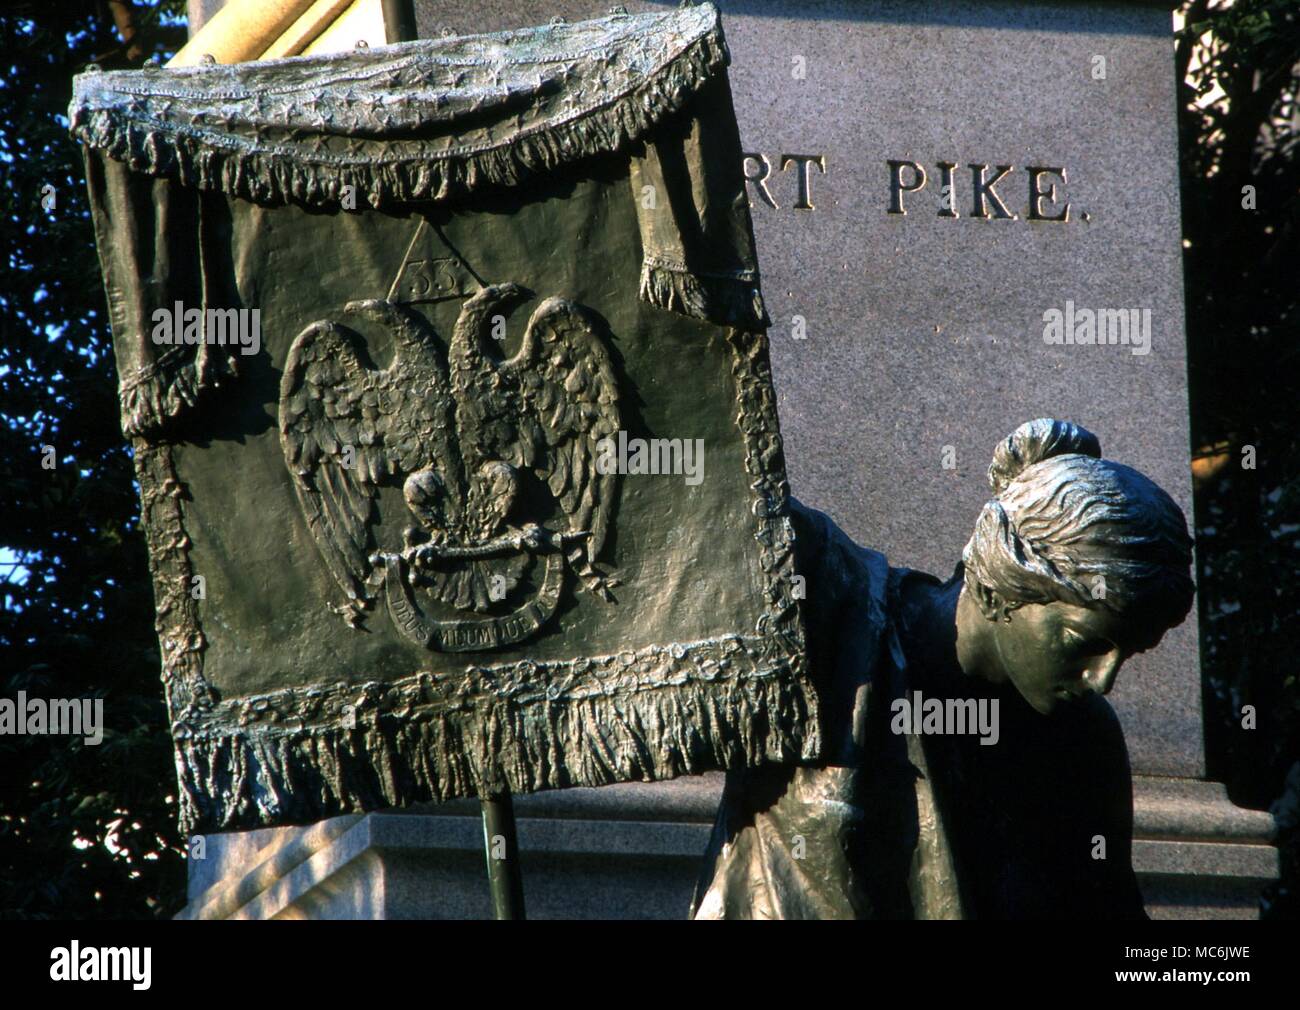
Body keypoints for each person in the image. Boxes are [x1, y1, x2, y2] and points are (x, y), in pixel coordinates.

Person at [691, 418, 1196, 919]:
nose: (1103, 680)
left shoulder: (1083, 745)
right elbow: (697, 483)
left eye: (1129, 654)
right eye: (1087, 643)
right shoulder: (831, 616)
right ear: (1003, 588)